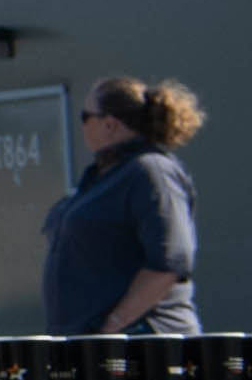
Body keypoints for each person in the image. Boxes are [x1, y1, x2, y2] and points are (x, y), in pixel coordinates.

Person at [46, 77, 205, 336]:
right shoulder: (101, 178)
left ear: (110, 124)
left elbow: (169, 262)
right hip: (92, 344)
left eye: (85, 116)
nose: (83, 125)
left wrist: (113, 327)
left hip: (144, 344)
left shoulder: (152, 172)